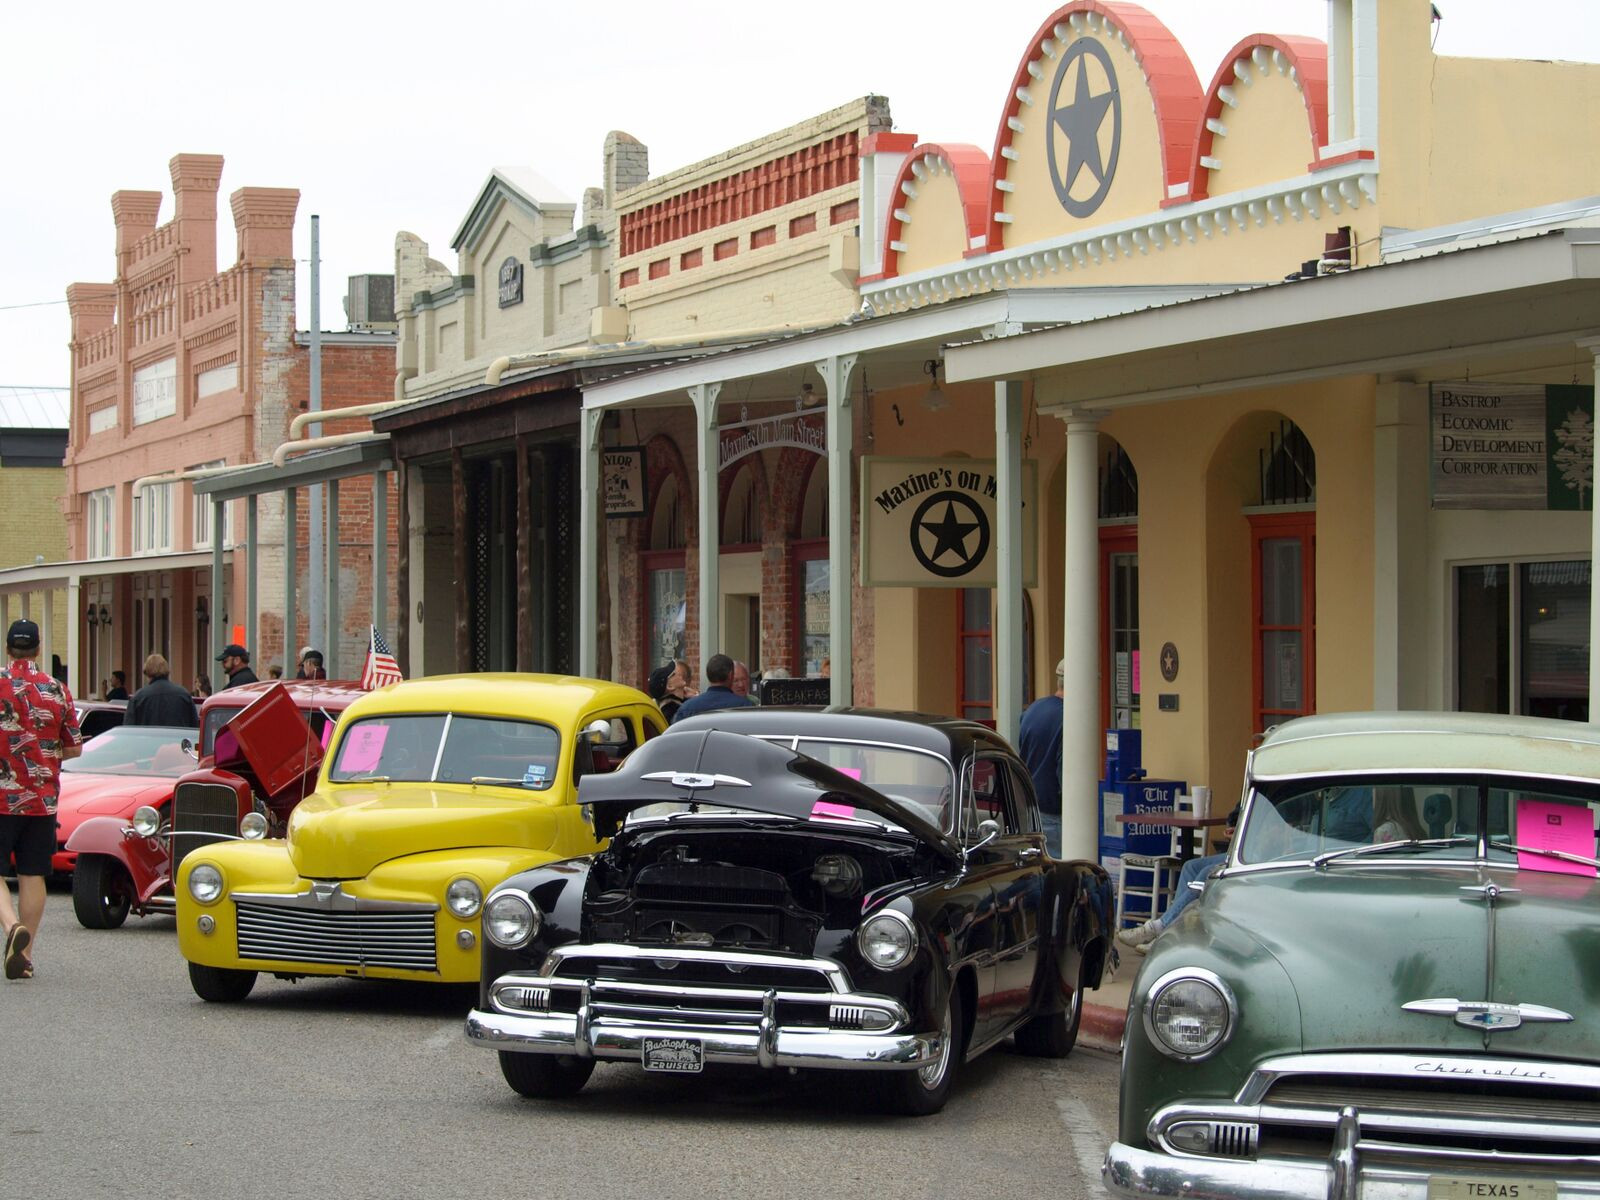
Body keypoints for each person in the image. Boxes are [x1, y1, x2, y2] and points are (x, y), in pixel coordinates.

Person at [0, 619, 83, 980]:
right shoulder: (57, 689)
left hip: (1, 799)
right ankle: (26, 955)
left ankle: (11, 926)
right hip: (42, 799)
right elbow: (74, 748)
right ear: (37, 649)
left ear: (7, 649)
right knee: (33, 874)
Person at [1117, 803, 1242, 954]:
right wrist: (1235, 827)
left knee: (1204, 873)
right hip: (1239, 848)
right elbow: (1236, 813)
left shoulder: (1273, 797)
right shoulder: (1254, 790)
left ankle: (1160, 929)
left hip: (1255, 856)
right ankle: (1171, 933)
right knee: (1190, 866)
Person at [1017, 659, 1065, 854]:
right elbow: (1066, 772)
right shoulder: (1068, 717)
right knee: (1063, 877)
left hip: (1030, 806)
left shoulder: (1033, 710)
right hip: (1055, 813)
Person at [670, 654, 756, 724]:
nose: (740, 684)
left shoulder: (687, 708)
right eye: (736, 680)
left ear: (708, 676)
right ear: (731, 675)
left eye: (744, 679)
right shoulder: (746, 706)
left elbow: (676, 737)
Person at [127, 653, 197, 728]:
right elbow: (194, 724)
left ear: (147, 673)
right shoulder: (184, 694)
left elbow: (128, 728)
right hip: (177, 739)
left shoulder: (139, 697)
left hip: (148, 739)